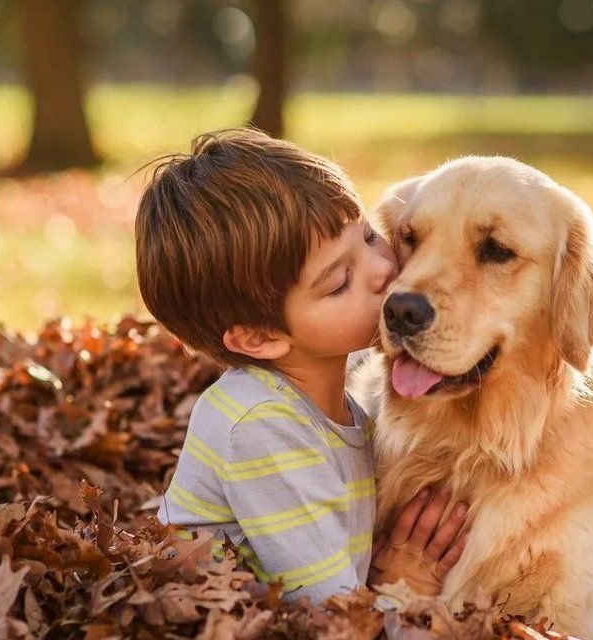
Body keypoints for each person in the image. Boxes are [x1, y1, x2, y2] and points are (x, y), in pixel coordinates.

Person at [134, 128, 467, 603]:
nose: (382, 270)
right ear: (260, 337)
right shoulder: (263, 427)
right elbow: (330, 613)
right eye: (339, 282)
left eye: (370, 236)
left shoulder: (335, 398)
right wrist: (400, 586)